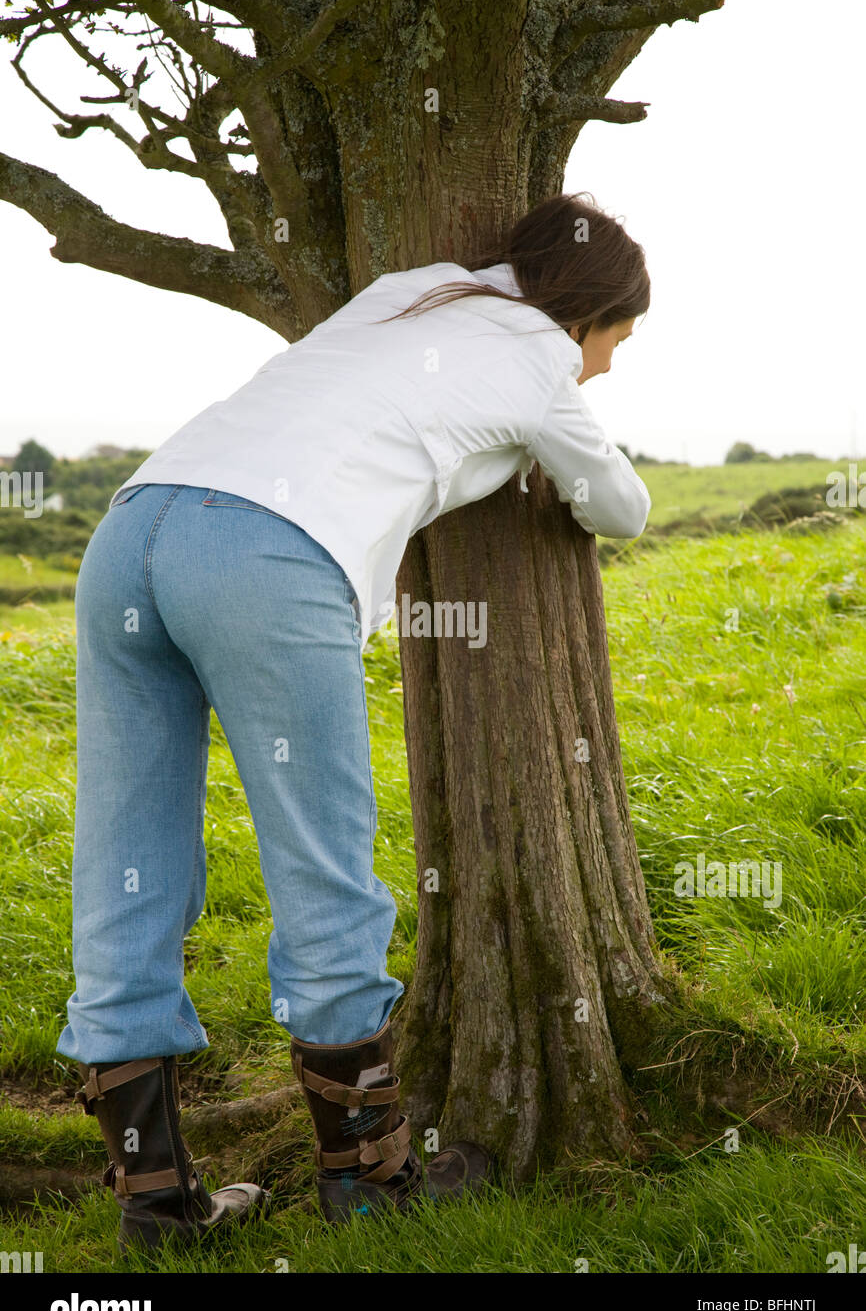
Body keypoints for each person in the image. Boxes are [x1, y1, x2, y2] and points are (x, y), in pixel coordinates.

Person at [58, 191, 652, 1252]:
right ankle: (371, 1183)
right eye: (617, 340)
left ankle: (155, 1206)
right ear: (589, 316)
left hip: (133, 531)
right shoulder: (538, 362)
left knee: (124, 866)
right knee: (323, 868)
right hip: (268, 555)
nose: (607, 364)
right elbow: (616, 504)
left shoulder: (405, 296)